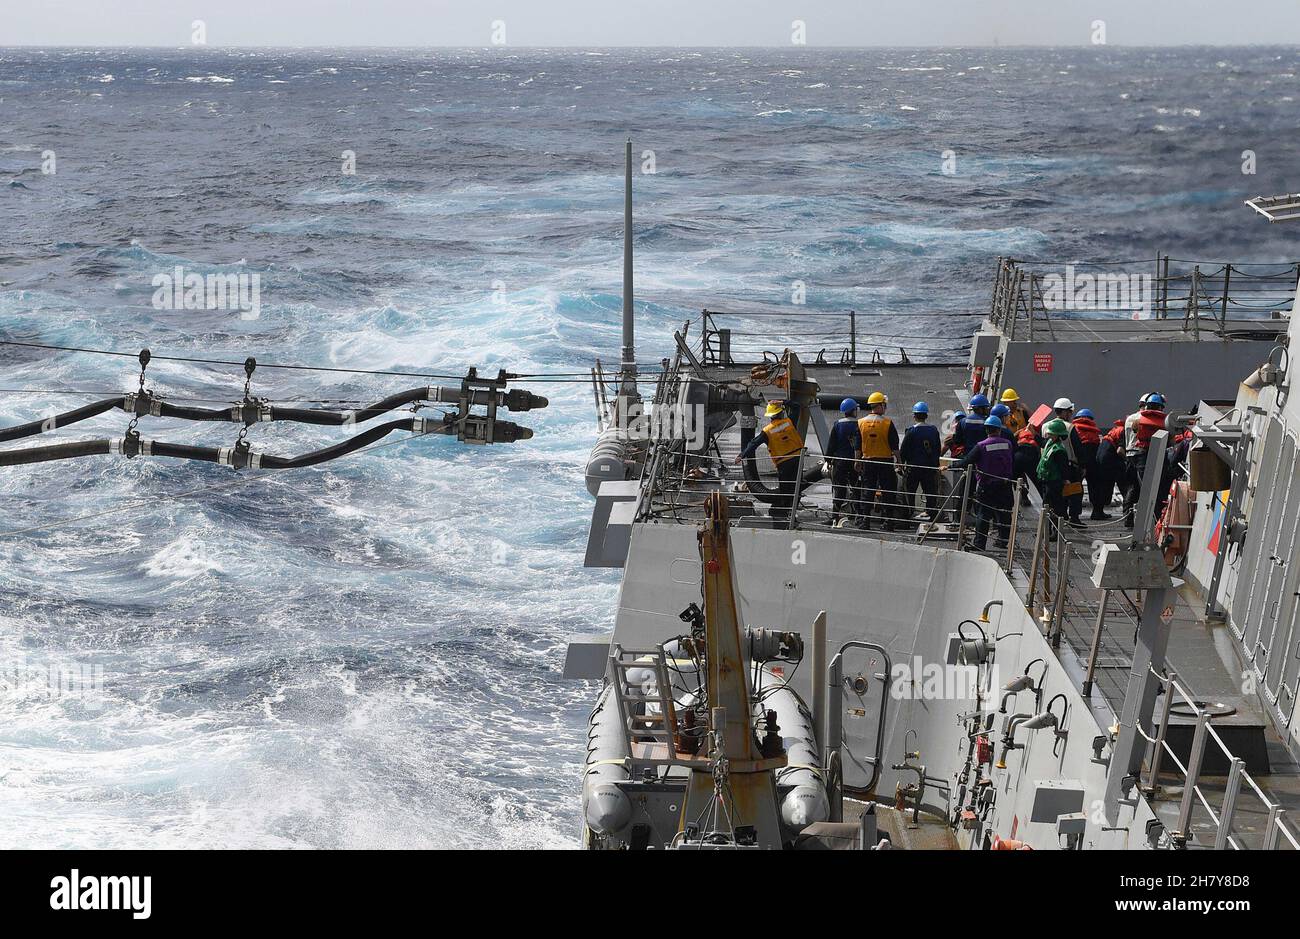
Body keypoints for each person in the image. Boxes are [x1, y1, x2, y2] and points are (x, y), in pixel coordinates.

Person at [953, 414, 1014, 550]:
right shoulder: (1008, 444)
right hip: (1005, 485)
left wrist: (949, 466)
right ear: (999, 429)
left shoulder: (981, 446)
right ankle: (1003, 541)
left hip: (987, 486)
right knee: (1004, 514)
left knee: (983, 515)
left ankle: (980, 544)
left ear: (986, 430)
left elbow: (966, 461)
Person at [736, 400, 804, 521]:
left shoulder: (767, 431)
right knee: (797, 487)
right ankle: (792, 512)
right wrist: (782, 402)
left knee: (785, 489)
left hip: (783, 463)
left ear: (770, 416)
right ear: (781, 413)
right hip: (797, 459)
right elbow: (797, 406)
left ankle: (785, 513)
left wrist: (742, 455)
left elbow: (753, 444)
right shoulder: (789, 422)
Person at [1121, 392, 1168, 529]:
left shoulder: (1130, 418)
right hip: (1144, 454)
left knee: (1132, 488)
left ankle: (1128, 519)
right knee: (1149, 488)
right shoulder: (1147, 419)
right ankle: (1150, 521)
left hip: (1130, 455)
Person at [857, 391, 901, 530]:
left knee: (868, 491)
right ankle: (888, 522)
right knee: (889, 492)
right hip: (885, 462)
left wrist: (857, 461)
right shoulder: (887, 423)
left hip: (868, 461)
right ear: (881, 405)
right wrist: (899, 461)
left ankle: (865, 521)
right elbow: (894, 446)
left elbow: (858, 445)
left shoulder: (861, 423)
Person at [899, 401, 941, 520]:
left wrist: (901, 465)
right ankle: (932, 515)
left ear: (914, 416)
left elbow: (903, 451)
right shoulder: (933, 430)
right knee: (930, 492)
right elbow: (937, 449)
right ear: (926, 416)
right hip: (929, 468)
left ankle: (907, 516)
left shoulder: (911, 431)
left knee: (909, 492)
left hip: (913, 468)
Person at [826, 398, 862, 526]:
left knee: (839, 490)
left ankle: (834, 516)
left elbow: (831, 444)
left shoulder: (837, 424)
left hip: (840, 462)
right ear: (853, 411)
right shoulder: (860, 424)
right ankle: (859, 516)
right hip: (855, 462)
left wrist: (828, 460)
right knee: (857, 488)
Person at [1051, 397, 1086, 524]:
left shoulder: (1046, 426)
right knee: (1075, 492)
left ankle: (1061, 517)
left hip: (1052, 467)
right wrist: (1082, 466)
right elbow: (1078, 448)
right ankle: (1074, 518)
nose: (1071, 414)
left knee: (1057, 493)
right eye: (1070, 411)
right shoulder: (1070, 427)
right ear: (1065, 412)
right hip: (1070, 465)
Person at [1072, 407, 1108, 520]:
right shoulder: (1095, 430)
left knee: (1076, 488)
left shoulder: (1073, 429)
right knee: (1096, 487)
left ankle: (1074, 516)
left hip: (1077, 462)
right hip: (1093, 463)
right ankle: (1097, 512)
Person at [1037, 418, 1076, 522]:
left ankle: (1052, 532)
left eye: (1051, 434)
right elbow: (1042, 442)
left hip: (1054, 482)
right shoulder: (1050, 444)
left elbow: (1063, 467)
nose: (1048, 436)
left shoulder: (1059, 450)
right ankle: (1047, 531)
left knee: (1054, 507)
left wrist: (1066, 479)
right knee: (1047, 505)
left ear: (1058, 435)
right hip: (1047, 480)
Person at [1013, 424, 1043, 499]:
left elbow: (1013, 437)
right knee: (1037, 481)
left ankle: (1023, 497)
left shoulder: (1021, 431)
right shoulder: (1037, 433)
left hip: (1018, 454)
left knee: (1018, 478)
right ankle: (1046, 502)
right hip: (1031, 454)